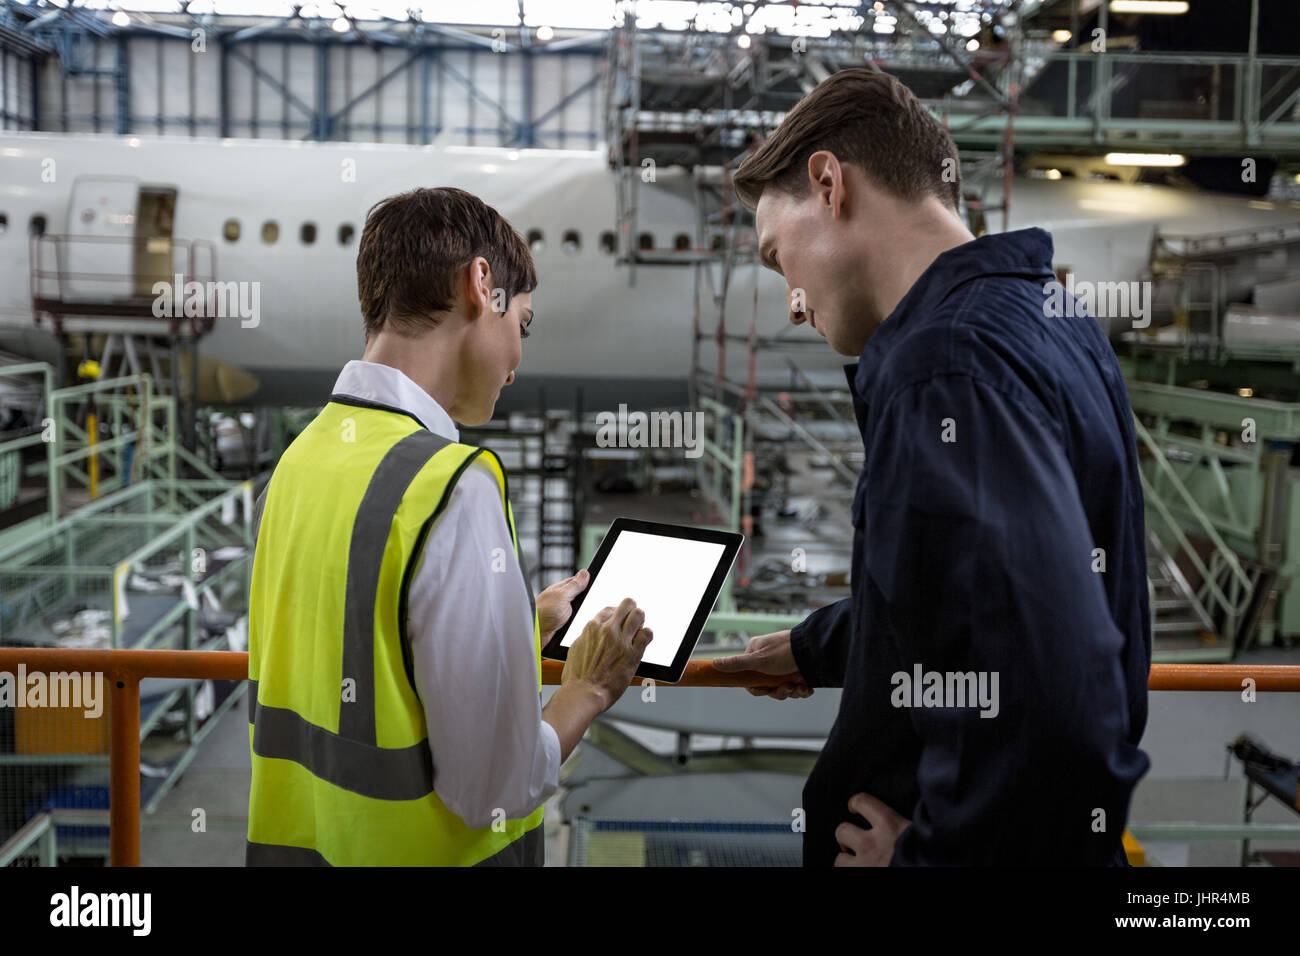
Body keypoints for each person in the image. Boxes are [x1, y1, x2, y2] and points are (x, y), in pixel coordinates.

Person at [713, 68, 1150, 866]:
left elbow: (1063, 687)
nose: (793, 303)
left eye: (780, 259)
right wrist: (820, 647)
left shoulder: (941, 366)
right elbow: (990, 602)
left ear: (828, 183)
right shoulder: (1048, 320)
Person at [246, 186, 651, 866]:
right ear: (480, 286)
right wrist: (587, 688)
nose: (517, 363)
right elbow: (493, 786)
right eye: (522, 324)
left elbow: (373, 662)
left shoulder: (301, 460)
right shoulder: (450, 487)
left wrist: (524, 626)